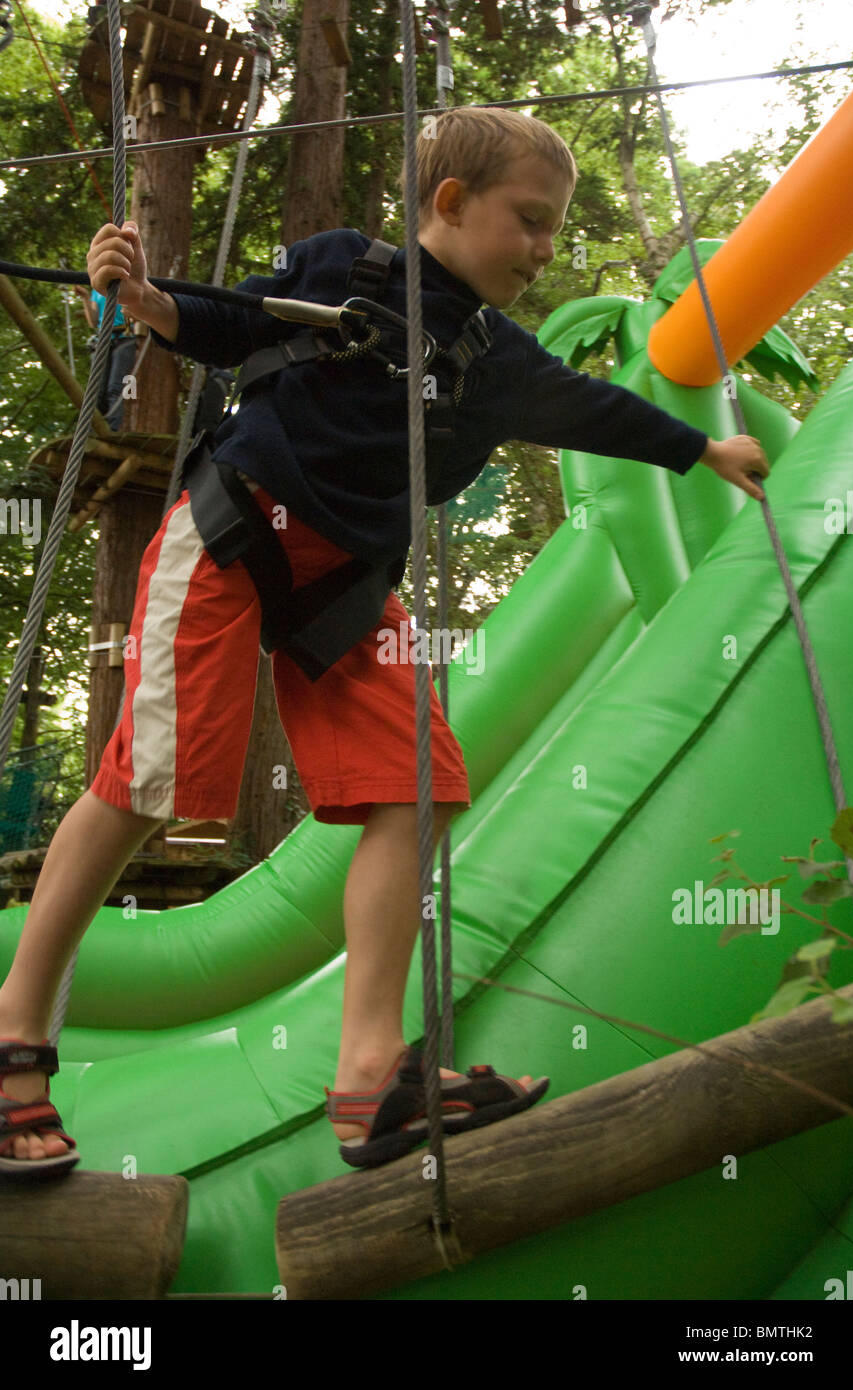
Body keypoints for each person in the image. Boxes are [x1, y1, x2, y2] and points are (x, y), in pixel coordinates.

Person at [0, 106, 769, 1174]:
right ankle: (15, 1039)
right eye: (529, 221)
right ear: (448, 206)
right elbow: (224, 320)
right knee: (145, 785)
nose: (544, 248)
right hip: (233, 532)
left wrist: (700, 450)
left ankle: (369, 1077)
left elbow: (596, 411)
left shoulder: (496, 356)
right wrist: (136, 297)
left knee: (417, 782)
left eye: (555, 229)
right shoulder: (343, 271)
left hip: (344, 589)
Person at [74, 283, 137, 430]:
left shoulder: (125, 286)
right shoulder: (97, 289)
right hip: (103, 339)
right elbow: (93, 321)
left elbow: (136, 314)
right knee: (96, 390)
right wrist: (85, 297)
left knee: (114, 388)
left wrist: (131, 315)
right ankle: (92, 429)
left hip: (125, 338)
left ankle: (112, 429)